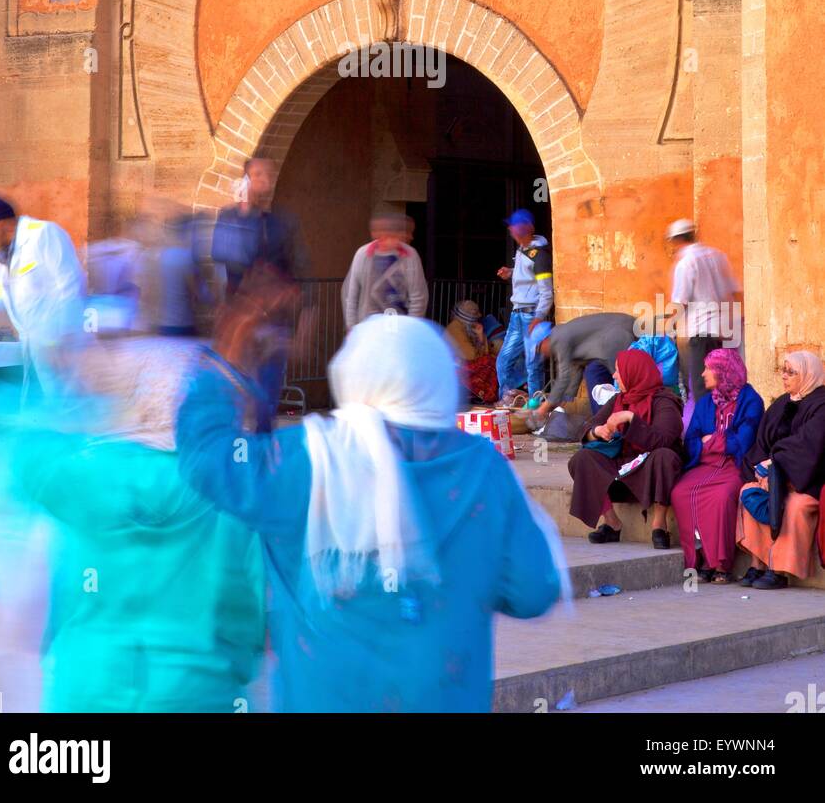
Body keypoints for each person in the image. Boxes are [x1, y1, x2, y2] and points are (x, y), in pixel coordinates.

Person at [176, 314, 568, 713]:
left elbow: (206, 459)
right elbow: (533, 591)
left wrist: (225, 361)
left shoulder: (307, 459)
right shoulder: (484, 470)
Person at [14, 338, 266, 712]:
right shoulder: (231, 497)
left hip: (87, 693)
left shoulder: (75, 482)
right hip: (198, 693)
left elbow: (31, 616)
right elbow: (249, 623)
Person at [0, 194, 86, 395]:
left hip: (58, 343)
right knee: (48, 403)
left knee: (67, 402)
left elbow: (71, 284)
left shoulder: (44, 234)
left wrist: (61, 337)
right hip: (34, 344)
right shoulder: (7, 254)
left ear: (1, 224)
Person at [568, 349, 683, 548]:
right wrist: (598, 431)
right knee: (583, 458)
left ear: (634, 372)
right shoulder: (619, 400)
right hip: (622, 468)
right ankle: (612, 523)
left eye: (618, 371)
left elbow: (663, 439)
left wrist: (630, 419)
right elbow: (585, 429)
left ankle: (659, 524)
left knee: (665, 456)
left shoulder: (664, 401)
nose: (613, 376)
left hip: (650, 469)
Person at [670, 349, 764, 582]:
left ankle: (721, 564)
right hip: (705, 465)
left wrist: (711, 440)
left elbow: (744, 440)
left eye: (708, 368)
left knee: (722, 497)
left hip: (734, 465)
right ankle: (699, 559)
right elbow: (692, 439)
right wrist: (715, 442)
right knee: (680, 492)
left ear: (724, 372)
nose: (702, 374)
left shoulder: (750, 401)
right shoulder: (705, 404)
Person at [736, 351, 825, 589]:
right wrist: (760, 471)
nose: (784, 376)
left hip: (806, 480)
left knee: (794, 505)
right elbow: (762, 442)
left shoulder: (821, 405)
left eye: (791, 372)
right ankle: (758, 563)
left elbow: (809, 448)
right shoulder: (781, 403)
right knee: (749, 490)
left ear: (808, 374)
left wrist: (778, 472)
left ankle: (780, 570)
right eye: (783, 371)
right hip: (776, 475)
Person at [666, 219, 741, 401]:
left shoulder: (686, 263)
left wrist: (670, 327)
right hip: (726, 331)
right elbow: (735, 291)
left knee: (702, 386)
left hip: (702, 331)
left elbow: (681, 302)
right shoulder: (718, 256)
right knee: (725, 382)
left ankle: (707, 425)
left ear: (676, 240)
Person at [211, 158, 307, 298]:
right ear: (246, 180)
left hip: (275, 309)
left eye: (269, 174)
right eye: (257, 174)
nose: (264, 180)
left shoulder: (284, 220)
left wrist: (306, 301)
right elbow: (222, 265)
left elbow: (298, 263)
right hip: (242, 306)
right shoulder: (229, 218)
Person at [529, 312, 638, 425]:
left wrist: (544, 408)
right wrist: (563, 403)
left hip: (617, 336)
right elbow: (576, 369)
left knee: (624, 382)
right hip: (610, 340)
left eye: (539, 349)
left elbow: (564, 377)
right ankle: (602, 422)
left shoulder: (558, 339)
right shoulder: (562, 336)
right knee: (592, 373)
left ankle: (627, 422)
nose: (541, 354)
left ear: (544, 341)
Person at [494, 209, 553, 405]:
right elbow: (528, 276)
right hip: (517, 314)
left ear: (527, 228)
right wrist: (510, 272)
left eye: (515, 225)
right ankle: (509, 401)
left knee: (533, 365)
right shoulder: (523, 250)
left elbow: (546, 292)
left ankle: (535, 409)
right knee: (504, 360)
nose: (511, 229)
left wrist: (538, 318)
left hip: (530, 315)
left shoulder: (539, 254)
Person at [341, 208, 429, 328]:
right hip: (368, 327)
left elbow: (418, 298)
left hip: (400, 327)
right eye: (407, 232)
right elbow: (351, 296)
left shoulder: (410, 255)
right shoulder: (363, 254)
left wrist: (410, 328)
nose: (411, 237)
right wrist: (352, 327)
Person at [445, 300, 502, 406]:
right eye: (475, 315)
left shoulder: (467, 328)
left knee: (493, 359)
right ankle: (483, 395)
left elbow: (483, 352)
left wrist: (481, 337)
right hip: (455, 368)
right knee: (489, 361)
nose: (478, 318)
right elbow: (471, 356)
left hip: (463, 365)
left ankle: (483, 395)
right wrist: (480, 339)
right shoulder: (455, 328)